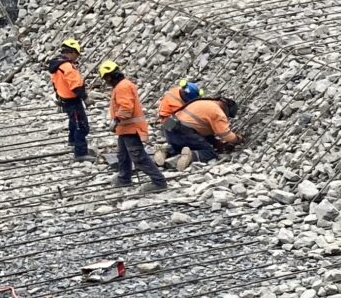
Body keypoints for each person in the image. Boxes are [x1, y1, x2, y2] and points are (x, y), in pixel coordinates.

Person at [99, 61, 167, 189]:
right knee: (123, 156)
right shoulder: (121, 85)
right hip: (125, 129)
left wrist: (116, 120)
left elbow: (126, 108)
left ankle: (159, 182)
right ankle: (124, 178)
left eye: (106, 78)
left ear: (109, 76)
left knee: (138, 157)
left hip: (131, 129)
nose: (106, 82)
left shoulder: (122, 87)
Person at [164, 93, 240, 168]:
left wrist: (215, 142)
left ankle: (166, 150)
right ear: (227, 109)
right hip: (184, 131)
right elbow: (227, 136)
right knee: (209, 153)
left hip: (169, 127)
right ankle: (190, 156)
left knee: (182, 147)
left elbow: (202, 130)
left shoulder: (204, 102)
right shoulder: (218, 112)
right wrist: (238, 139)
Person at [48, 38, 89, 160]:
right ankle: (80, 153)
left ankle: (72, 141)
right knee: (81, 126)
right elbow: (75, 85)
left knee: (73, 121)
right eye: (76, 54)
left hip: (64, 98)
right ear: (71, 52)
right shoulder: (67, 67)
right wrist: (85, 97)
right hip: (72, 99)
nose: (77, 57)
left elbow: (56, 83)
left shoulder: (56, 65)